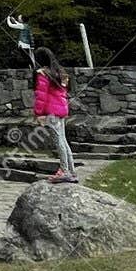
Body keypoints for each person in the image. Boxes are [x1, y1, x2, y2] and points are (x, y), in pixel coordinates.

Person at [32, 47, 77, 183]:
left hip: (51, 111)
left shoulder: (43, 74)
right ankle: (71, 170)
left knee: (58, 141)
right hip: (61, 110)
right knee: (63, 140)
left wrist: (39, 113)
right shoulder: (60, 72)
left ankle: (64, 171)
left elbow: (41, 95)